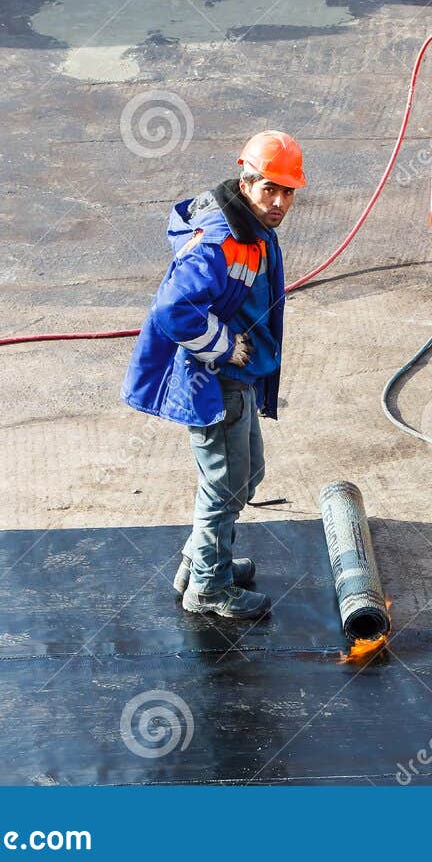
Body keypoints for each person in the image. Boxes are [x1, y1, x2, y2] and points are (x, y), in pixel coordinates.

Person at [122, 131, 305, 619]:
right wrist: (225, 347)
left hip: (240, 379)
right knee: (224, 486)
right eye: (271, 189)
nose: (280, 202)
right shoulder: (221, 242)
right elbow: (173, 310)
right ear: (246, 182)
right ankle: (209, 587)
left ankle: (202, 561)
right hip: (215, 383)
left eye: (288, 192)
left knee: (246, 477)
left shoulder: (251, 229)